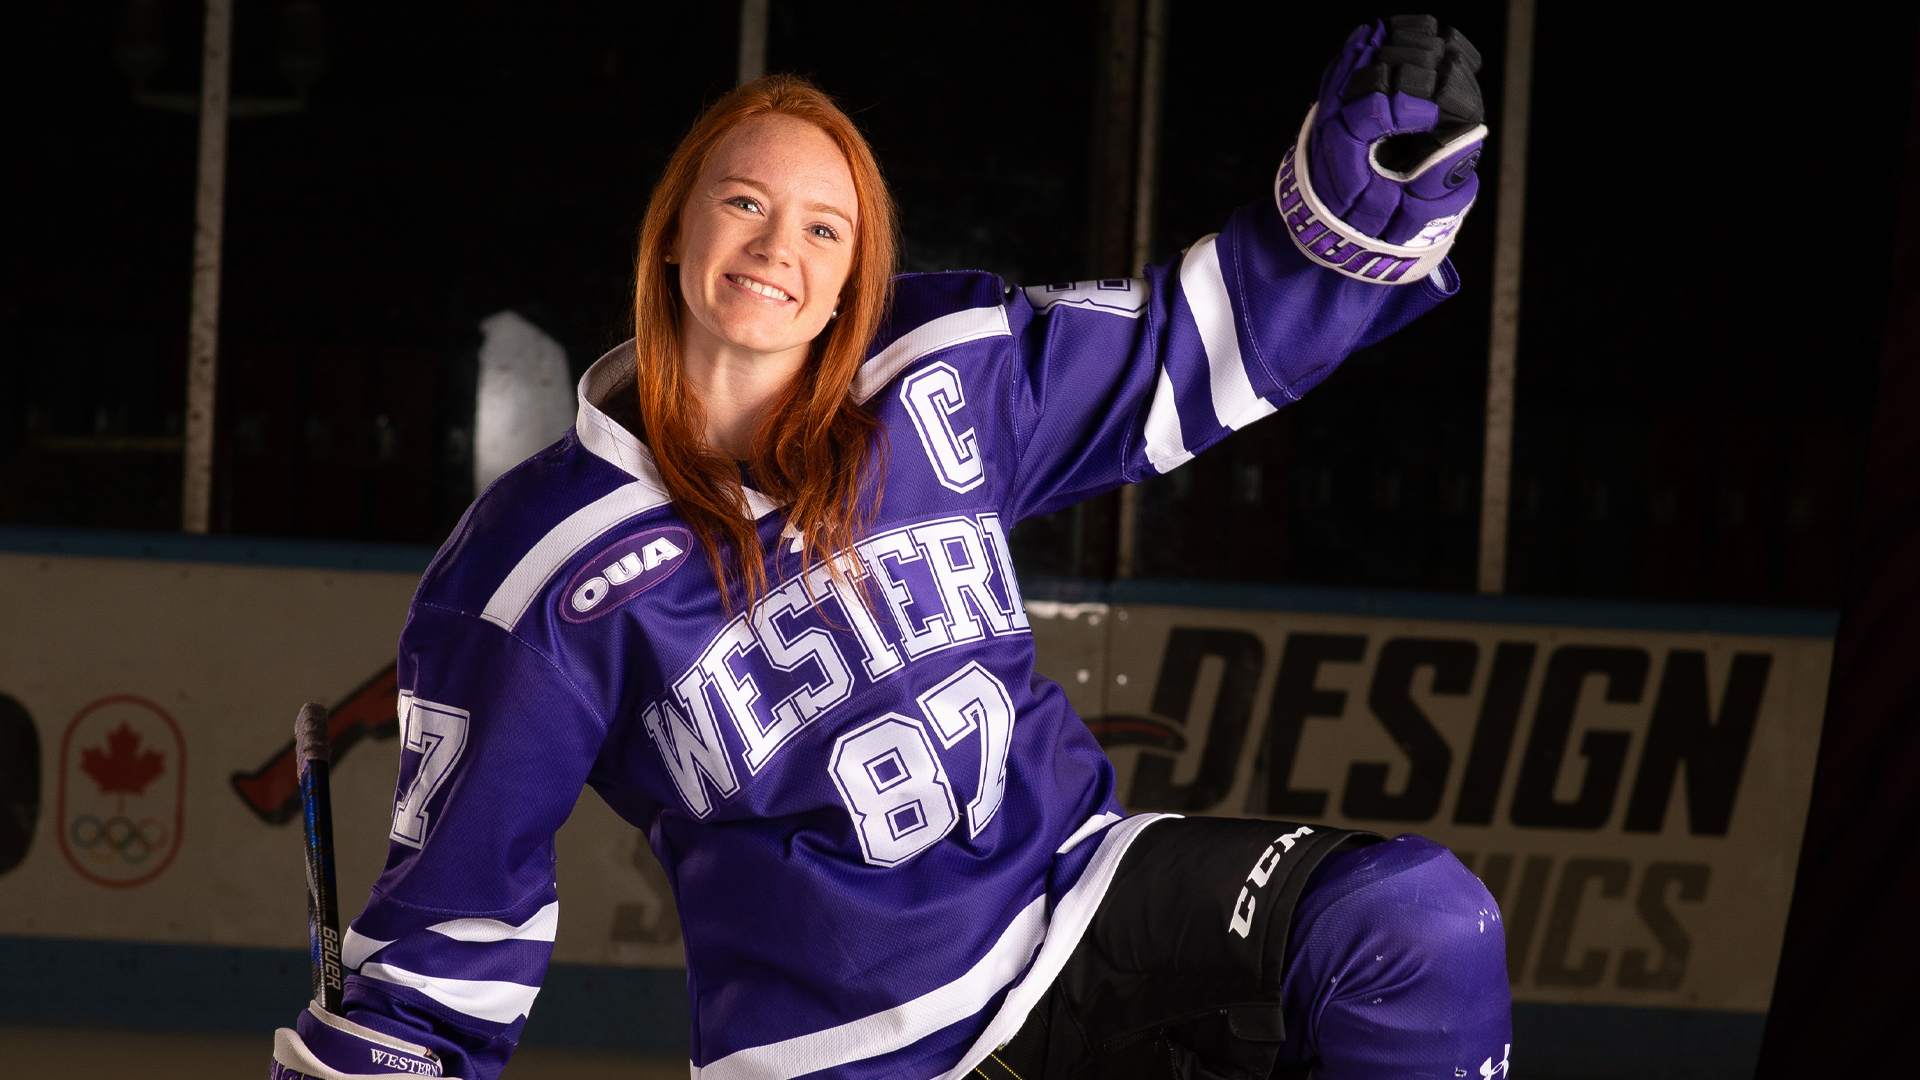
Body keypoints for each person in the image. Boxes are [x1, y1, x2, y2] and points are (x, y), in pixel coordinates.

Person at [271, 16, 1509, 1080]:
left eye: (825, 229)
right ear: (672, 232)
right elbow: (458, 911)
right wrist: (390, 1048)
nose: (776, 250)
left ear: (858, 273)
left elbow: (1174, 354)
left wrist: (1343, 212)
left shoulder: (937, 376)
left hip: (1078, 898)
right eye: (744, 204)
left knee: (1415, 929)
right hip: (849, 1042)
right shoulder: (539, 565)